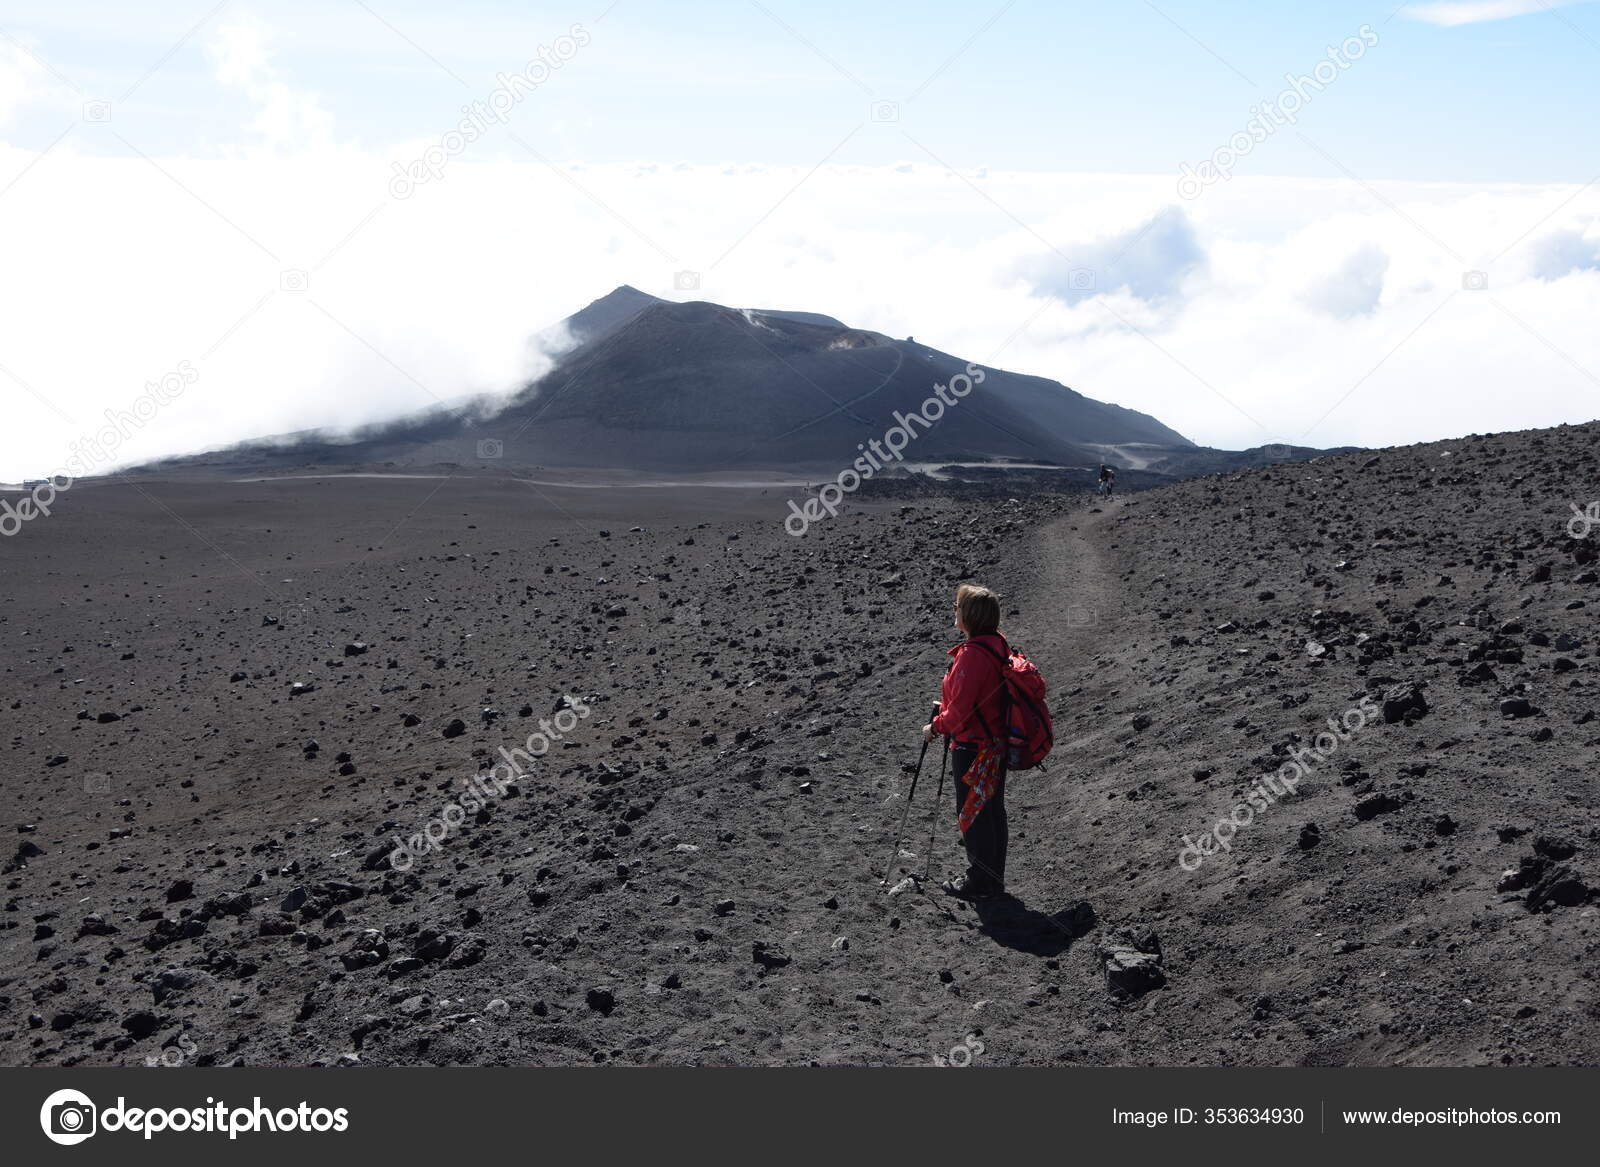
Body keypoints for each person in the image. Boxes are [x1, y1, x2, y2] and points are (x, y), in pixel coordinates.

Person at [922, 583, 1010, 901]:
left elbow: (959, 714)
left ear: (968, 615)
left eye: (957, 607)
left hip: (973, 747)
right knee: (991, 811)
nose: (954, 612)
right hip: (994, 744)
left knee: (973, 813)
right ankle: (992, 879)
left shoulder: (973, 655)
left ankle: (981, 883)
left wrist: (935, 727)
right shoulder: (997, 644)